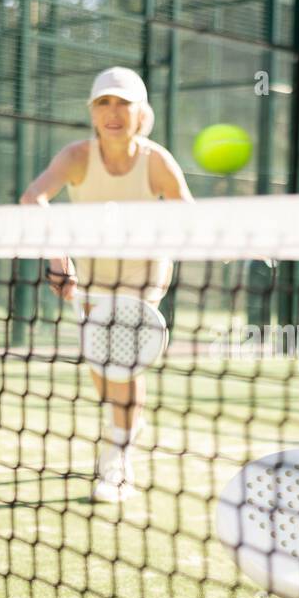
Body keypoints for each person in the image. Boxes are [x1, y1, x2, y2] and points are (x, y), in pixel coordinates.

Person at [19, 66, 193, 503]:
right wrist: (56, 255)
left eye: (122, 103)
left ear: (140, 113)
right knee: (102, 373)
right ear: (93, 114)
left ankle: (118, 458)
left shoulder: (156, 162)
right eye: (103, 103)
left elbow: (188, 216)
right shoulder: (76, 156)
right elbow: (32, 198)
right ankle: (128, 424)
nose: (113, 112)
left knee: (123, 365)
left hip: (143, 278)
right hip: (92, 283)